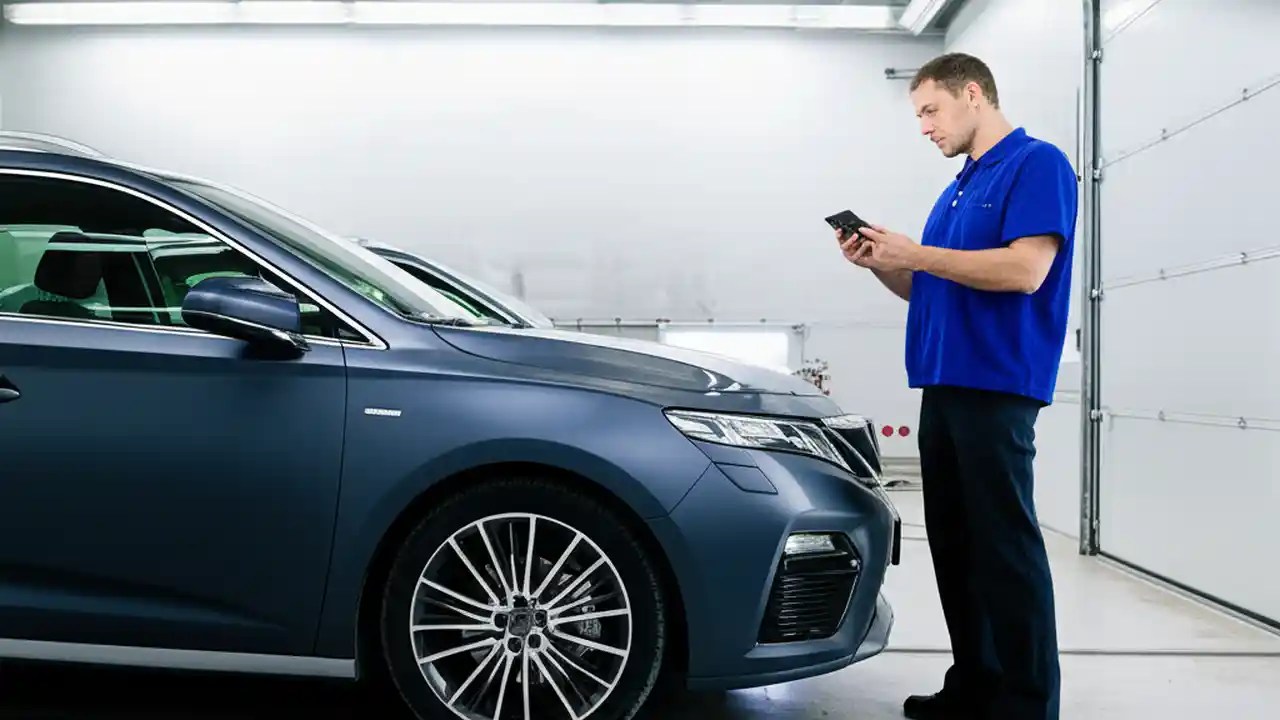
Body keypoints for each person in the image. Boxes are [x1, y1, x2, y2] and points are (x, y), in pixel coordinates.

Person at [836, 53, 1076, 720]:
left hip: (996, 385)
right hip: (942, 382)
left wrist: (916, 252)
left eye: (930, 110)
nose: (924, 126)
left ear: (973, 94)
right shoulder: (957, 191)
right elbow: (929, 288)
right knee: (955, 547)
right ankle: (975, 685)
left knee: (1005, 548)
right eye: (918, 115)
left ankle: (1028, 704)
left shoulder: (1037, 164)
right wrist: (883, 264)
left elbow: (1025, 270)